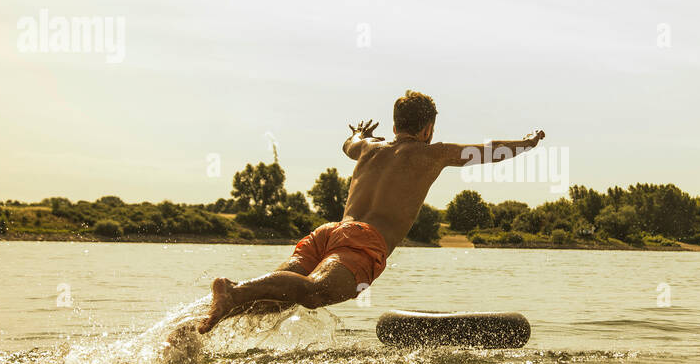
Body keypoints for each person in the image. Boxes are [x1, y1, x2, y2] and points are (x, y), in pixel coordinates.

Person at [197, 90, 544, 333]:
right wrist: (526, 143)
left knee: (279, 297)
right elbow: (487, 151)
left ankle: (193, 329)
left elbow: (348, 144)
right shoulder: (432, 153)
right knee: (315, 293)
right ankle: (233, 291)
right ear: (427, 129)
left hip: (329, 233)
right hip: (363, 243)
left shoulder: (368, 148)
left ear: (394, 127)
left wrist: (360, 133)